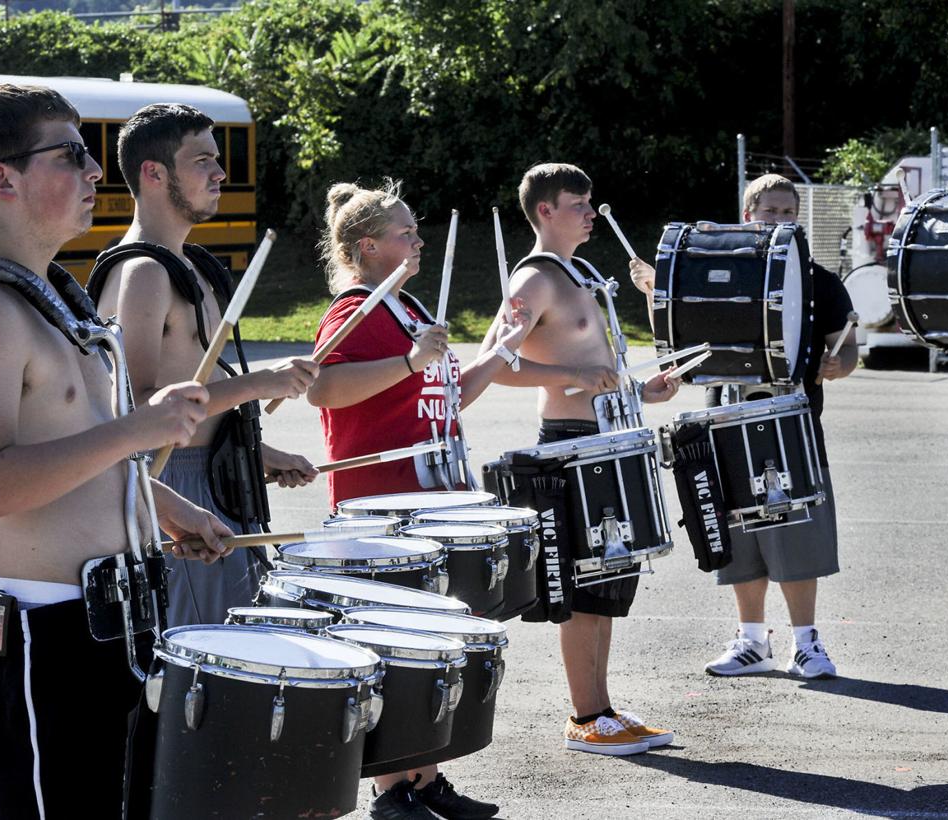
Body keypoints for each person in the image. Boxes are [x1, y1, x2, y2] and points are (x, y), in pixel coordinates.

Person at [0, 84, 232, 820]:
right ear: (4, 178)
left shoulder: (56, 306)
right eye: (70, 155)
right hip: (46, 635)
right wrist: (139, 428)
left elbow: (83, 457)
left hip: (120, 621)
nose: (95, 171)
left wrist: (166, 508)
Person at [308, 180, 529, 820]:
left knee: (427, 649)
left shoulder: (405, 307)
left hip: (428, 503)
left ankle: (424, 780)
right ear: (367, 246)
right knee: (392, 649)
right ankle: (391, 791)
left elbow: (448, 397)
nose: (417, 240)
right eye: (404, 232)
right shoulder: (356, 309)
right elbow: (322, 388)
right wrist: (408, 361)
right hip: (380, 510)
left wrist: (503, 347)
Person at [88, 103, 318, 627]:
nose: (220, 173)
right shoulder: (142, 271)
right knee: (200, 652)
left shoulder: (190, 265)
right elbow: (134, 412)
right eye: (202, 161)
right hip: (173, 483)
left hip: (218, 473)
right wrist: (259, 383)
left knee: (240, 638)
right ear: (153, 173)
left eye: (216, 159)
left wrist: (259, 454)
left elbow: (197, 387)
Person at [478, 162, 680, 757]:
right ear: (545, 210)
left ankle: (604, 709)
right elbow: (494, 363)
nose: (591, 213)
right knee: (584, 582)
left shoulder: (582, 273)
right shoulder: (533, 279)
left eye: (591, 202)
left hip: (610, 435)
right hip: (569, 444)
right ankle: (585, 716)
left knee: (609, 578)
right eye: (578, 204)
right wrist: (570, 373)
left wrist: (641, 391)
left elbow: (600, 364)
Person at [634, 173, 857, 679]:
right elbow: (675, 340)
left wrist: (838, 365)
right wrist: (655, 290)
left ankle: (807, 644)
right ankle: (752, 641)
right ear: (747, 215)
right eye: (769, 211)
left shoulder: (819, 278)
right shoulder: (709, 270)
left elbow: (847, 349)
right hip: (725, 418)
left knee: (796, 531)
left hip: (791, 423)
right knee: (737, 534)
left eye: (787, 211)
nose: (779, 219)